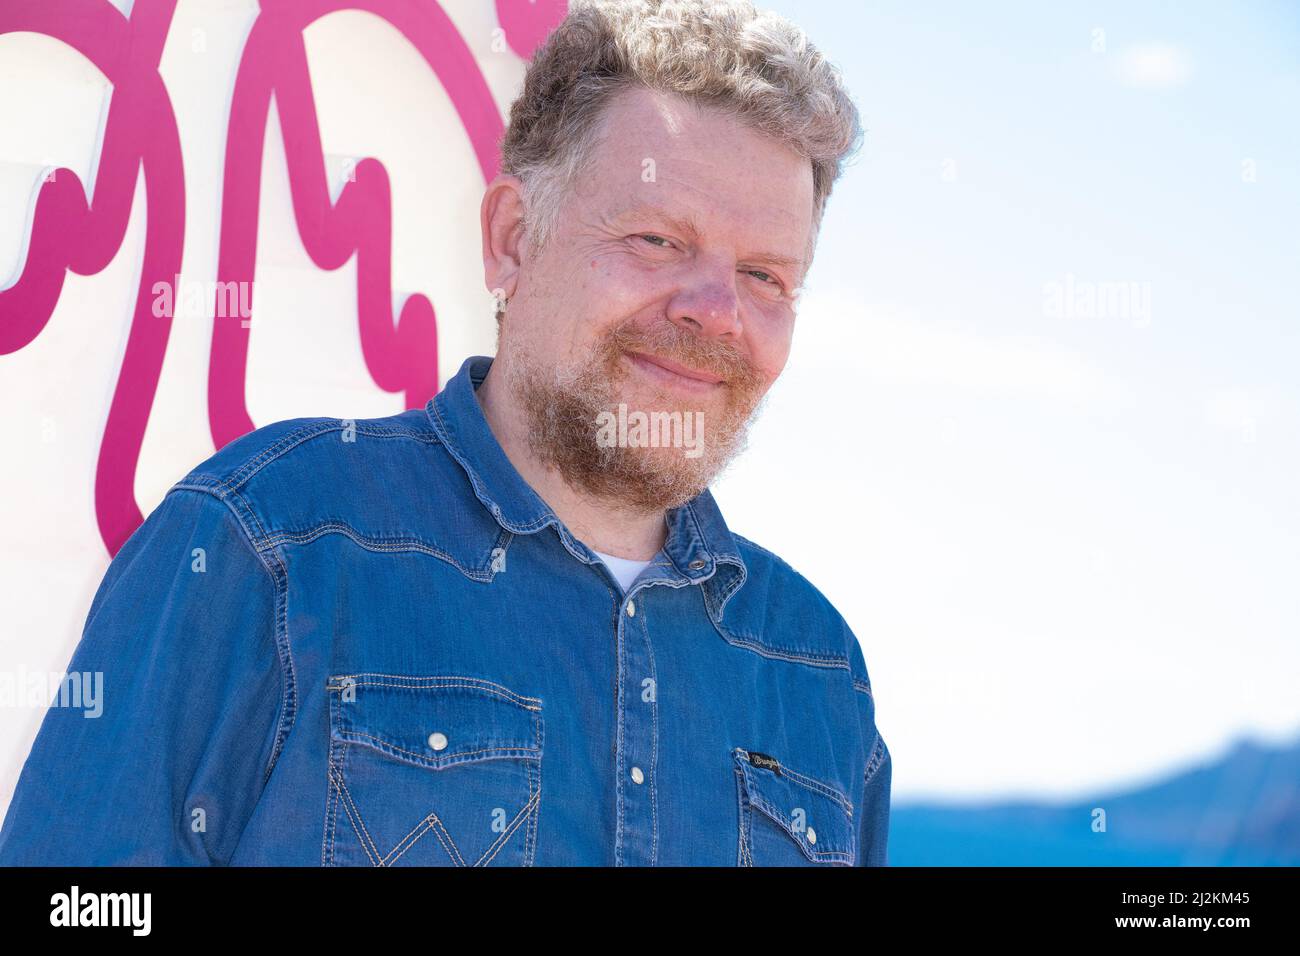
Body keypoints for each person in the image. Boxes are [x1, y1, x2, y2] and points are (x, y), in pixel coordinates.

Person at [0, 0, 890, 866]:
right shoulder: (264, 549)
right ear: (511, 239)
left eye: (766, 276)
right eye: (657, 239)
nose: (715, 313)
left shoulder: (817, 673)